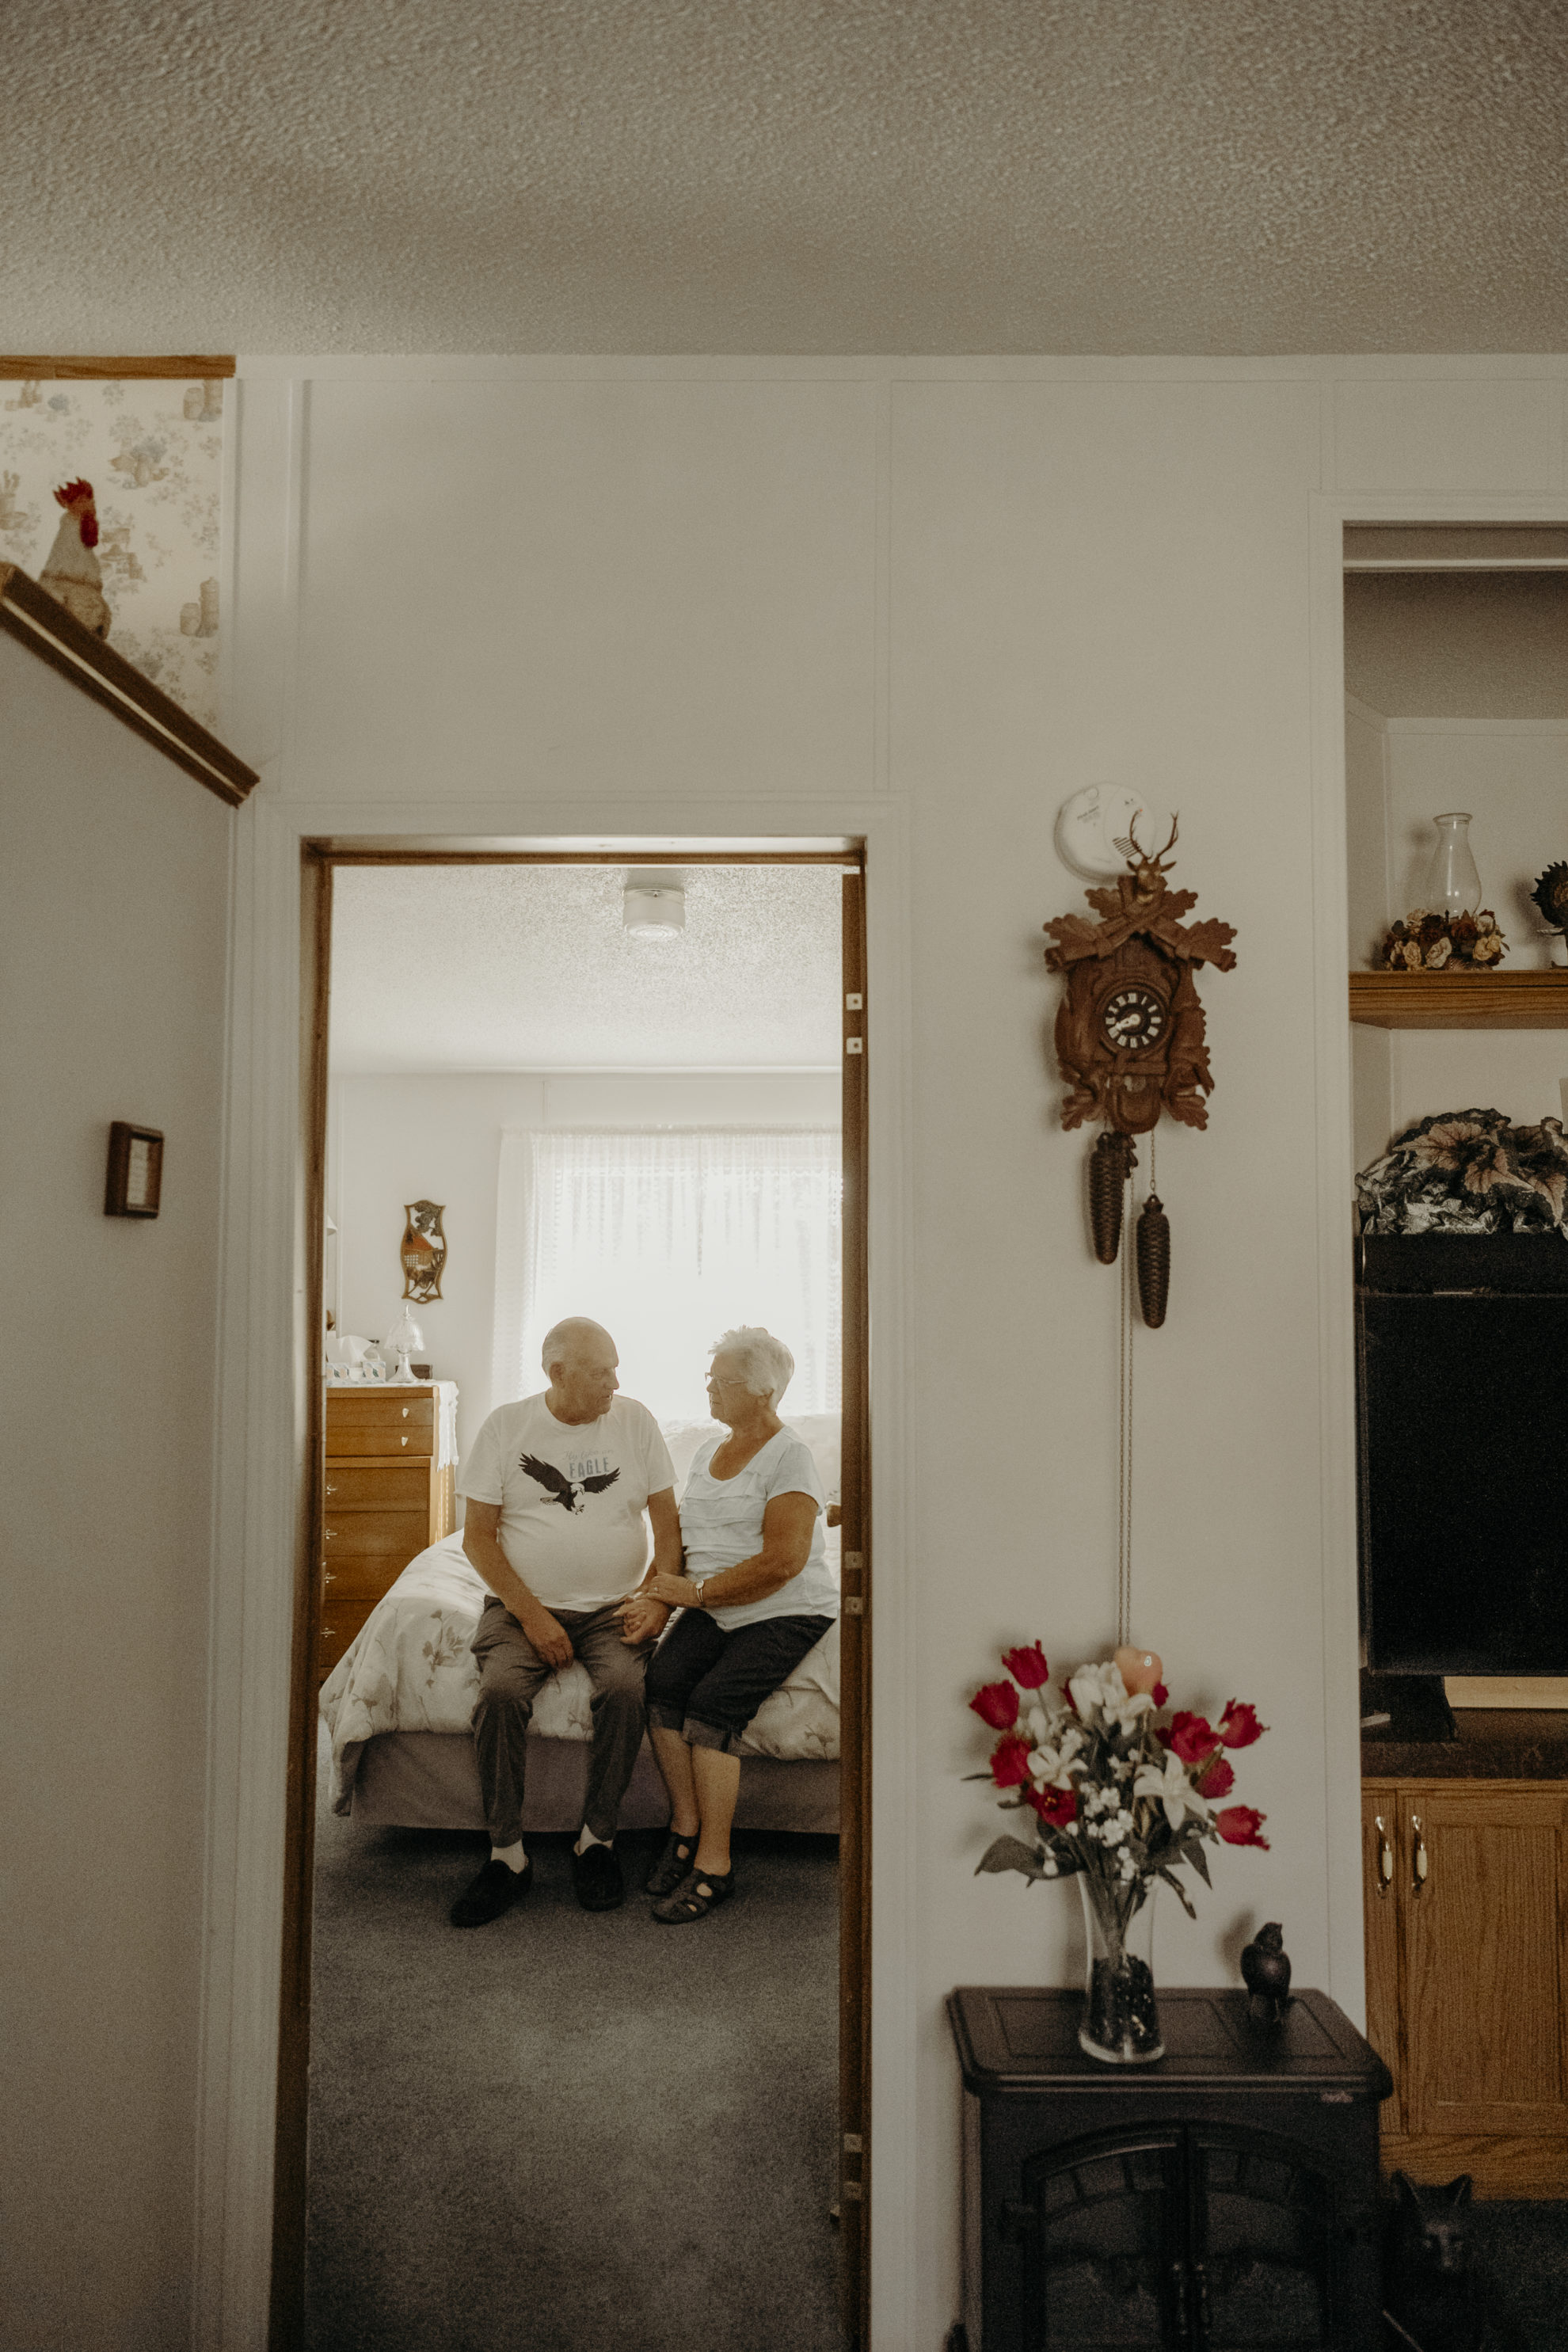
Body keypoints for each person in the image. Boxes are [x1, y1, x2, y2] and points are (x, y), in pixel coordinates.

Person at [449, 1316, 680, 1927]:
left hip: (614, 1607)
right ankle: (507, 1855)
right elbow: (478, 1540)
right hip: (523, 1605)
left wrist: (657, 1600)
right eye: (602, 1371)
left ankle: (596, 1841)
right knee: (498, 1695)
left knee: (628, 1692)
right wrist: (533, 1617)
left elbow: (670, 1530)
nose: (615, 1381)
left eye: (615, 1368)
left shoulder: (635, 1421)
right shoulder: (506, 1426)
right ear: (558, 1374)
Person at [639, 1326, 838, 1925]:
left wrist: (695, 1594)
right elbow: (686, 1538)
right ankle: (685, 1825)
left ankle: (715, 1865)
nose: (711, 1390)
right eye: (710, 1379)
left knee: (711, 1705)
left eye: (723, 1381)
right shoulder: (706, 1451)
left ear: (765, 1391)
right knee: (662, 1686)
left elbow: (784, 1561)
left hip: (784, 1607)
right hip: (714, 1604)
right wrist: (657, 1594)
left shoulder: (790, 1456)